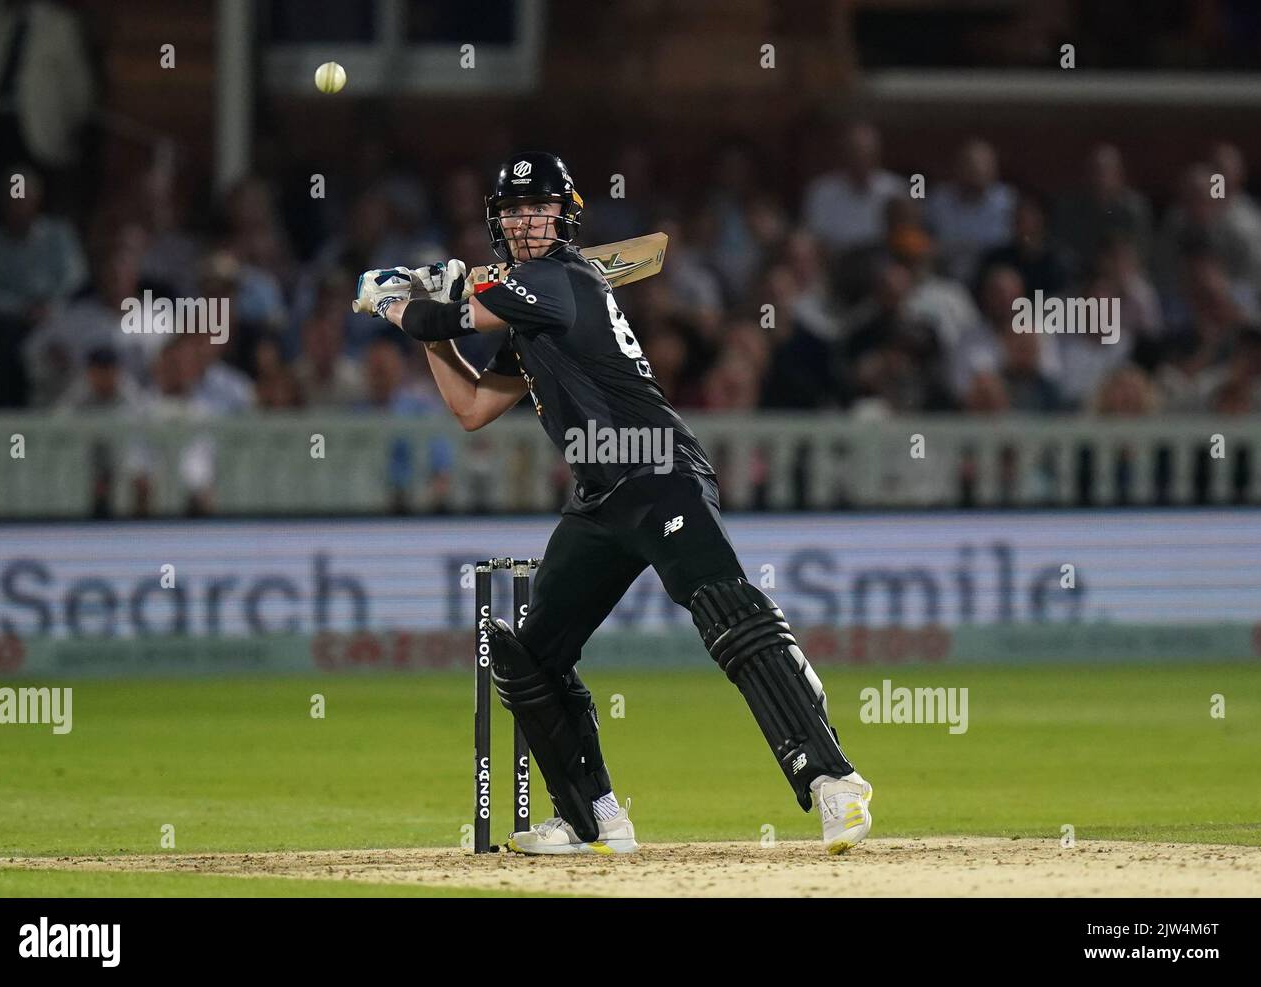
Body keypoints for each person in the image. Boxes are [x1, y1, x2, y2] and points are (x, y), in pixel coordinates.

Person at [354, 152, 873, 855]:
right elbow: (473, 405)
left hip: (658, 471)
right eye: (513, 210)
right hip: (601, 496)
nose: (526, 221)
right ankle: (593, 816)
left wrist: (395, 300)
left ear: (564, 215)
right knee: (530, 655)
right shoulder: (533, 309)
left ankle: (834, 781)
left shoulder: (556, 277)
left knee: (724, 610)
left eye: (539, 207)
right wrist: (432, 324)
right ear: (498, 222)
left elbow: (446, 313)